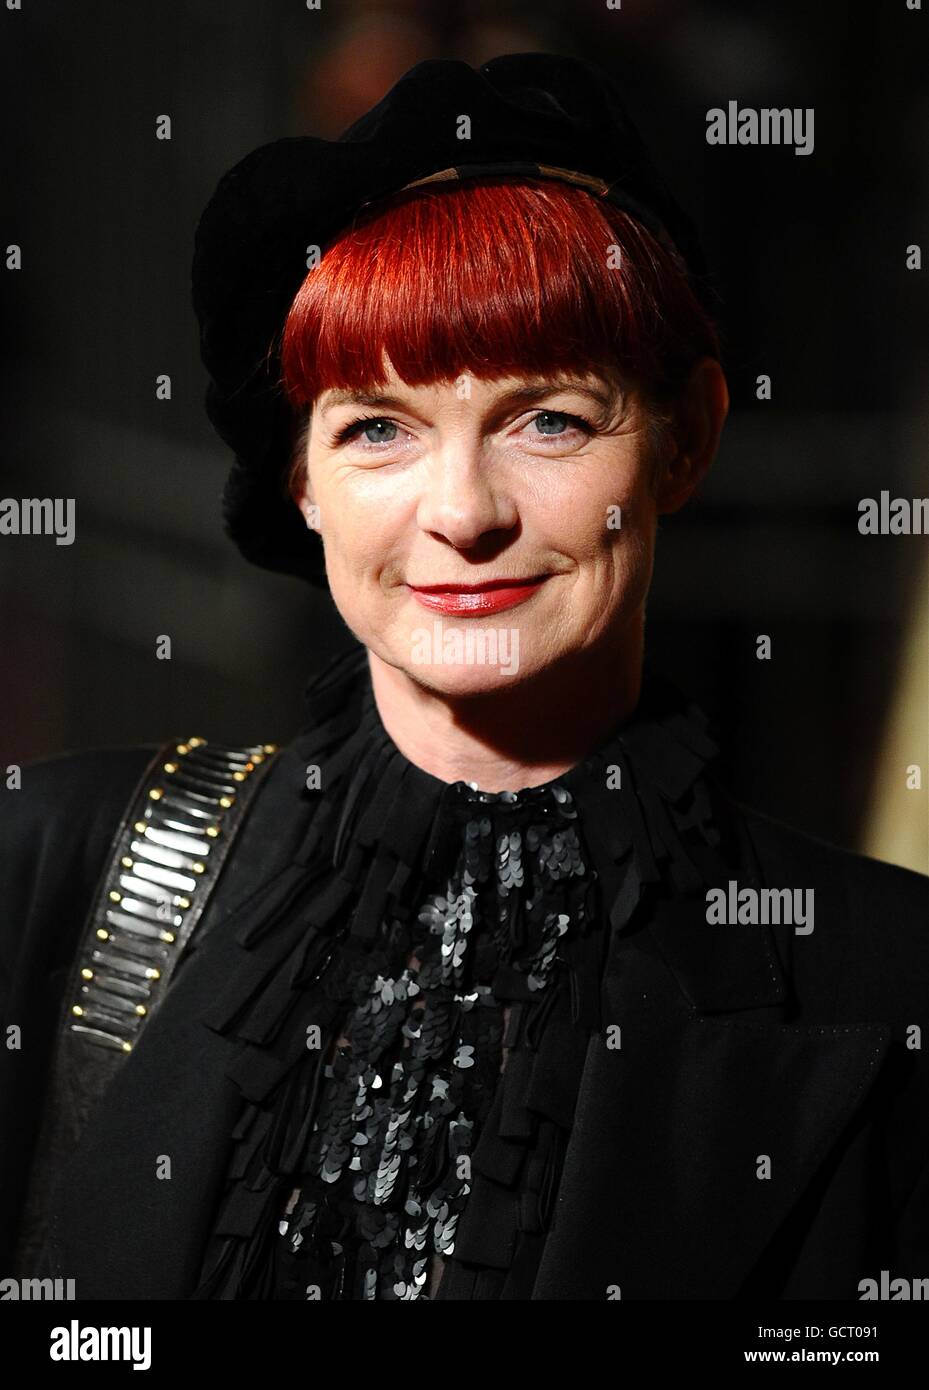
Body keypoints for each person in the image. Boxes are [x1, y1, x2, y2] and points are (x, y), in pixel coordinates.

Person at [2, 52, 927, 1302]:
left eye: (546, 419)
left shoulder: (882, 971)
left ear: (685, 436)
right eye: (375, 428)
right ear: (300, 479)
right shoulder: (48, 869)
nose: (462, 513)